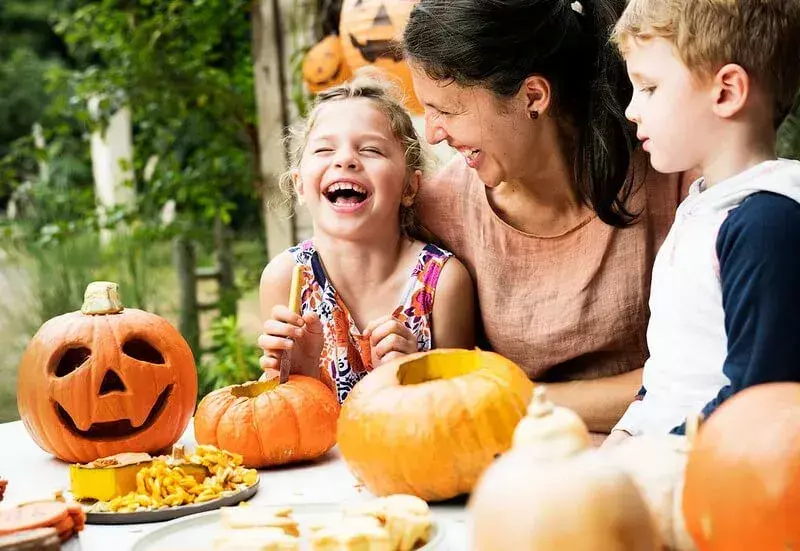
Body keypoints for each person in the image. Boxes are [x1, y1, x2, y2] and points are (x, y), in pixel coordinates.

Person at [403, 0, 689, 433]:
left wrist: (513, 397)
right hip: (512, 475)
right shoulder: (439, 210)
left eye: (447, 110)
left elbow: (694, 377)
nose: (433, 132)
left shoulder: (671, 177)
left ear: (532, 97)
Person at [604, 0, 800, 442]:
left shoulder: (766, 222)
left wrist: (651, 456)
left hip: (717, 475)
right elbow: (672, 372)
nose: (632, 109)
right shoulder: (703, 209)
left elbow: (756, 401)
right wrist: (628, 432)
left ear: (726, 91)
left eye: (649, 88)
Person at [257, 76, 476, 403]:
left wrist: (416, 376)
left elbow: (463, 406)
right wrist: (299, 376)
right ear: (300, 185)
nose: (345, 160)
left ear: (409, 187)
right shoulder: (286, 279)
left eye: (371, 149)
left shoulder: (442, 283)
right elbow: (280, 418)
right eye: (324, 149)